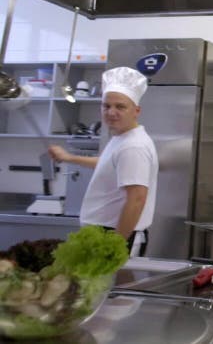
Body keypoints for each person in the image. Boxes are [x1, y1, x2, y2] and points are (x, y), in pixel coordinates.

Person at [48, 67, 158, 257]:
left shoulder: (133, 146)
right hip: (105, 234)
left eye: (120, 106)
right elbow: (108, 164)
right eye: (106, 106)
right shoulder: (122, 139)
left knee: (113, 286)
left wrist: (115, 245)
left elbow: (137, 199)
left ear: (136, 111)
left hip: (116, 235)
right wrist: (70, 158)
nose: (111, 112)